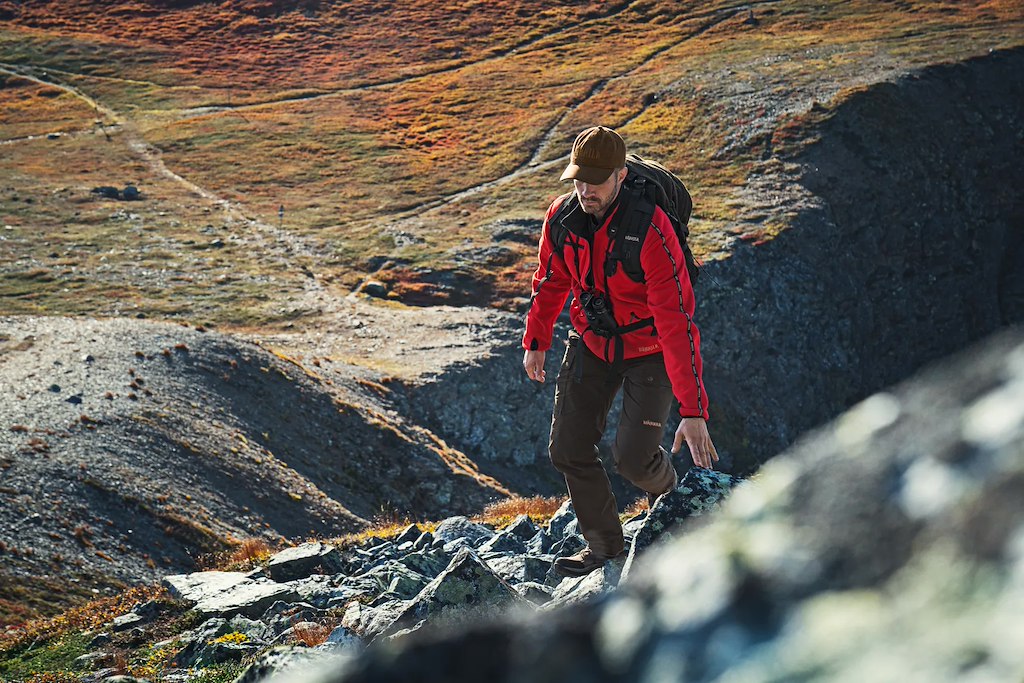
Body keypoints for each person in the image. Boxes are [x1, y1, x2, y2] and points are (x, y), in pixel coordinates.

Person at [522, 125, 718, 577]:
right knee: (567, 449)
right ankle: (605, 550)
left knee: (631, 459)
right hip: (591, 340)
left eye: (596, 181)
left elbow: (676, 322)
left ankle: (670, 498)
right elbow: (550, 280)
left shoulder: (651, 229)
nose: (585, 190)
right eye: (578, 180)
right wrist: (537, 340)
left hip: (650, 348)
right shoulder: (562, 218)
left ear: (621, 176)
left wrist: (692, 411)